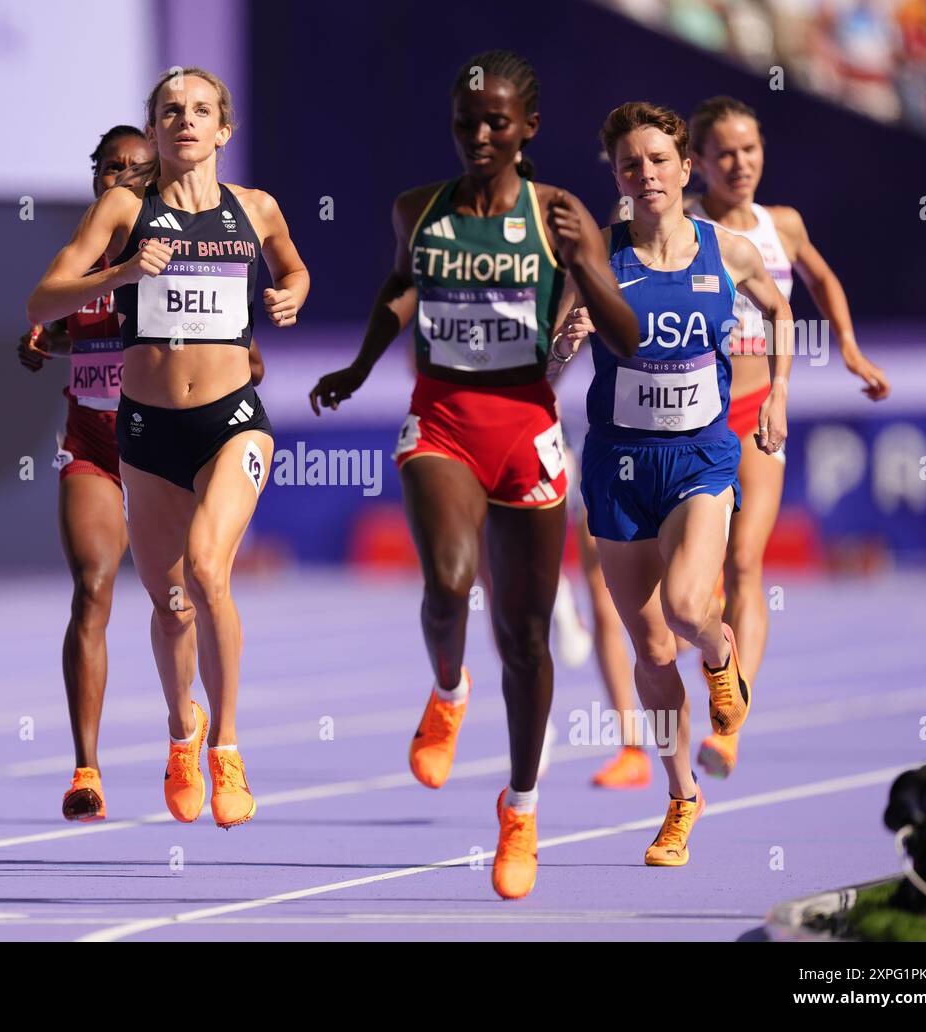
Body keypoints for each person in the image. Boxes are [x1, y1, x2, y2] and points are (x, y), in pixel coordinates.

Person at [310, 50, 639, 898]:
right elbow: (397, 287)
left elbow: (626, 335)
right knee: (449, 585)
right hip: (443, 421)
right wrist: (356, 367)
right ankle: (448, 692)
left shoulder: (560, 214)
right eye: (467, 123)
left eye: (497, 122)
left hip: (527, 429)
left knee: (526, 639)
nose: (480, 136)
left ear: (529, 128)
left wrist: (589, 265)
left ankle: (521, 806)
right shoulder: (420, 209)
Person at [27, 67, 308, 829]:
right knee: (171, 599)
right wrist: (119, 271)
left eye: (202, 111)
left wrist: (294, 291)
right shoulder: (126, 209)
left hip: (231, 421)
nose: (186, 121)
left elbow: (292, 262)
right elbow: (42, 298)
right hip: (145, 432)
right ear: (154, 131)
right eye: (171, 112)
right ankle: (180, 735)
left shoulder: (255, 208)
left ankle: (227, 746)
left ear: (225, 129)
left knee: (211, 570)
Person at [553, 100, 792, 866]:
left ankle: (722, 663)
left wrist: (779, 391)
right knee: (650, 652)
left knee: (691, 606)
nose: (646, 174)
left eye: (660, 161)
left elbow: (781, 311)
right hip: (619, 468)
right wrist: (565, 340)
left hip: (700, 459)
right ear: (617, 177)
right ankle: (680, 798)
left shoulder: (728, 251)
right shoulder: (595, 256)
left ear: (686, 170)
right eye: (631, 164)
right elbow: (551, 364)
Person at [684, 95, 890, 778]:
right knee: (692, 578)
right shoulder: (682, 227)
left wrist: (851, 351)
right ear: (699, 163)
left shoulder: (784, 226)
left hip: (760, 410)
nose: (740, 164)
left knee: (747, 562)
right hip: (692, 412)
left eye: (750, 150)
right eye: (725, 154)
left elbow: (823, 281)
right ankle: (711, 650)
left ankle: (729, 724)